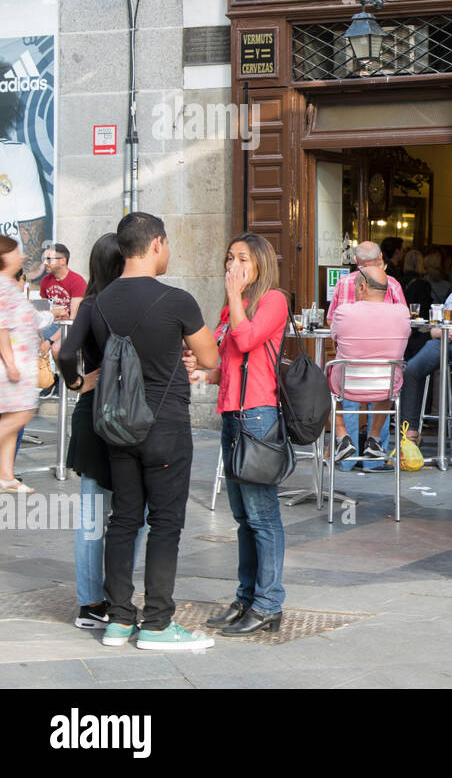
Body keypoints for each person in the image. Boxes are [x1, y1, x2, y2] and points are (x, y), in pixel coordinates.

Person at [93, 212, 220, 650]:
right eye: (166, 245)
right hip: (165, 425)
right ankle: (158, 624)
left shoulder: (100, 301)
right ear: (155, 245)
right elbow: (210, 357)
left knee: (124, 519)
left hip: (118, 425)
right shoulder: (177, 300)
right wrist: (185, 355)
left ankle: (118, 619)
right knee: (165, 523)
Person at [186, 233, 290, 637]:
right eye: (230, 258)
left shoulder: (272, 300)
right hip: (231, 416)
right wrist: (203, 370)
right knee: (243, 517)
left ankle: (268, 603)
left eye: (242, 258)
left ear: (260, 263)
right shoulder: (235, 307)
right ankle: (246, 597)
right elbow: (225, 362)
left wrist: (233, 296)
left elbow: (247, 341)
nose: (233, 265)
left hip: (258, 417)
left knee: (263, 516)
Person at [56, 233, 130, 630]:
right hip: (124, 414)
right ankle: (120, 596)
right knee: (131, 512)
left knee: (90, 515)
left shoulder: (89, 302)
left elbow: (66, 353)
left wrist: (77, 383)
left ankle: (89, 604)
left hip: (91, 414)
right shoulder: (126, 302)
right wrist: (80, 381)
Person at [328, 241, 406, 462]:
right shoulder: (400, 309)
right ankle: (374, 442)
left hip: (348, 379)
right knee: (392, 380)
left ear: (362, 287)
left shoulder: (344, 307)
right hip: (384, 381)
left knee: (323, 382)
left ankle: (343, 441)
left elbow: (335, 335)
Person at [399, 254, 452, 443]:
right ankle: (410, 430)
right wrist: (439, 331)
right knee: (412, 369)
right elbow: (436, 327)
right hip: (444, 341)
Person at [0, 235, 38, 494]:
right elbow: (1, 327)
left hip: (19, 363)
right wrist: (11, 363)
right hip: (13, 365)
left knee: (14, 417)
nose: (21, 256)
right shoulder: (3, 286)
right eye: (17, 253)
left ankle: (6, 475)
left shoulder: (8, 285)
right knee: (22, 414)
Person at [326, 240, 407, 321]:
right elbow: (404, 318)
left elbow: (330, 320)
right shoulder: (392, 283)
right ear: (380, 256)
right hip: (382, 333)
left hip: (349, 333)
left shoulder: (342, 282)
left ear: (355, 259)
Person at [40, 243, 86, 322]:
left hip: (67, 327)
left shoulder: (77, 281)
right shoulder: (45, 280)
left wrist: (55, 335)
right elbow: (43, 313)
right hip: (49, 325)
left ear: (63, 261)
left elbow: (73, 319)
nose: (45, 263)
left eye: (49, 259)